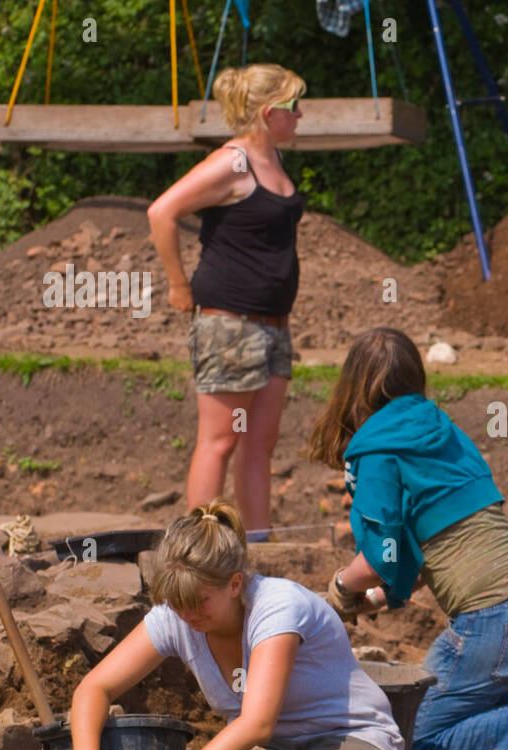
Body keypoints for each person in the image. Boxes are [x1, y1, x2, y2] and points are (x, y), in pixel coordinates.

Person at [307, 327, 508, 750]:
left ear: (350, 389)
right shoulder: (441, 431)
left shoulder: (376, 450)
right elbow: (439, 540)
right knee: (453, 721)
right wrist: (384, 597)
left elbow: (379, 558)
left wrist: (339, 589)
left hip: (494, 620)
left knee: (409, 742)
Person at [70, 498, 403, 750]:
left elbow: (257, 724)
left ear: (234, 584)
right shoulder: (176, 612)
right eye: (176, 602)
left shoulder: (277, 606)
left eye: (199, 601)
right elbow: (94, 688)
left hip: (347, 736)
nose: (187, 614)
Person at [147, 63, 307, 543]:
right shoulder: (232, 162)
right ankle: (201, 550)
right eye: (294, 106)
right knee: (219, 441)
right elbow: (162, 212)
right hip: (230, 324)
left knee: (259, 445)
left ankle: (259, 546)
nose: (301, 115)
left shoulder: (272, 159)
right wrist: (178, 286)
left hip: (274, 325)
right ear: (267, 112)